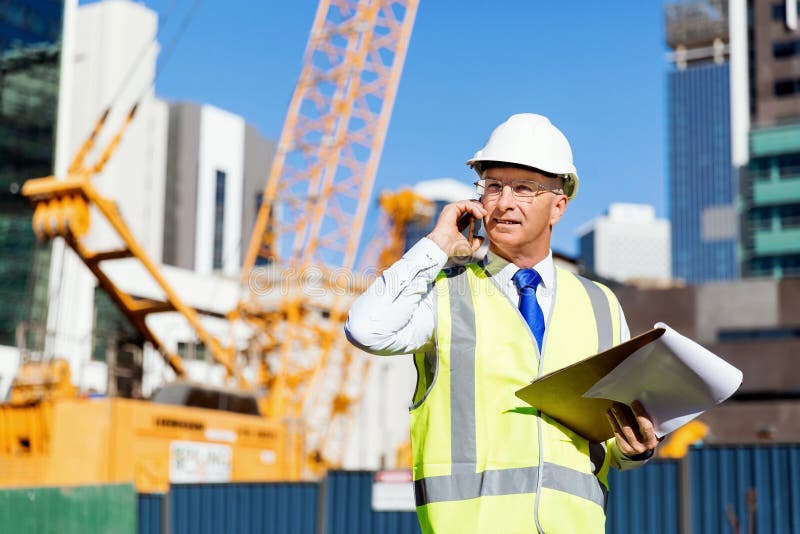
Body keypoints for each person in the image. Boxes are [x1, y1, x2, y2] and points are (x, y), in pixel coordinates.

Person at [345, 113, 659, 533]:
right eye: (493, 186)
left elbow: (611, 443)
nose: (504, 202)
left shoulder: (600, 305)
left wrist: (634, 449)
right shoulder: (442, 293)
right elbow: (367, 328)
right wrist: (439, 244)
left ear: (559, 206)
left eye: (524, 189)